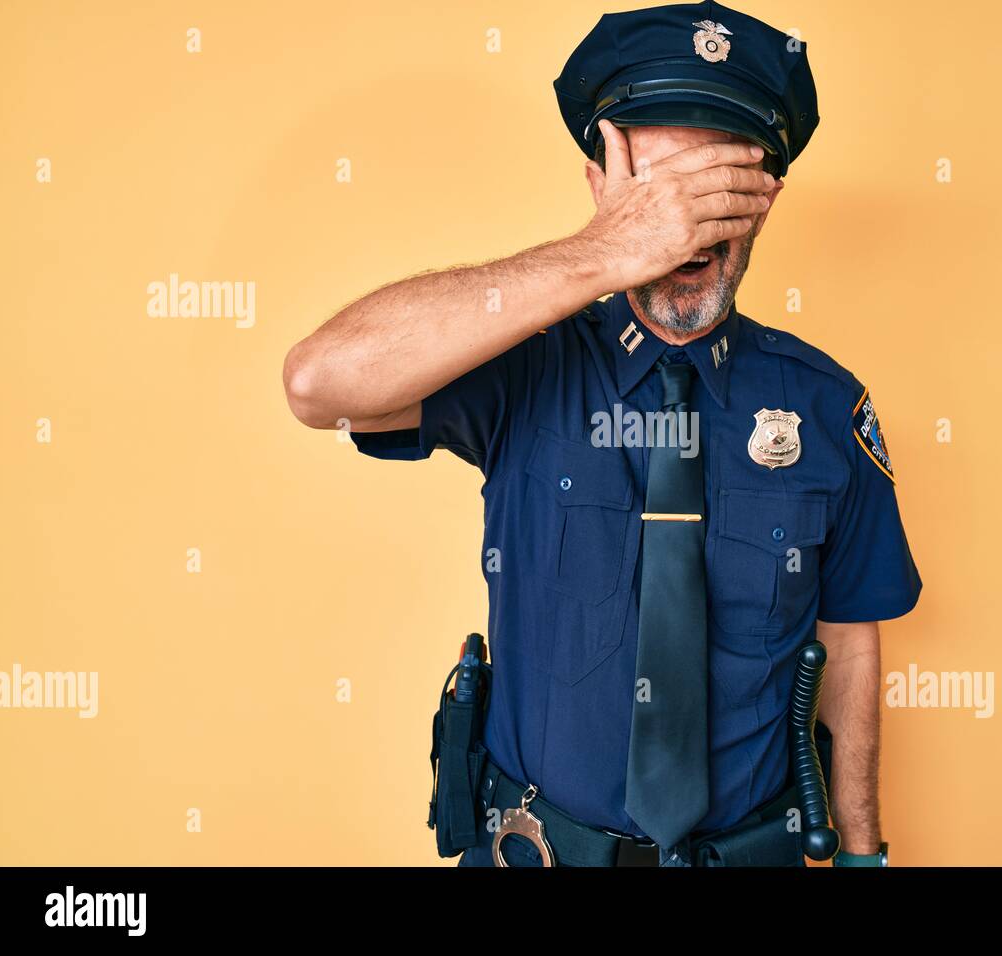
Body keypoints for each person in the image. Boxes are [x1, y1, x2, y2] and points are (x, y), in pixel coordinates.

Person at [283, 0, 921, 867]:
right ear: (600, 192)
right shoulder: (522, 363)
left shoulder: (823, 408)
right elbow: (320, 384)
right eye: (658, 191)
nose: (685, 228)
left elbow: (848, 641)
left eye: (714, 189)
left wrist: (859, 851)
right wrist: (605, 253)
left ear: (764, 201)